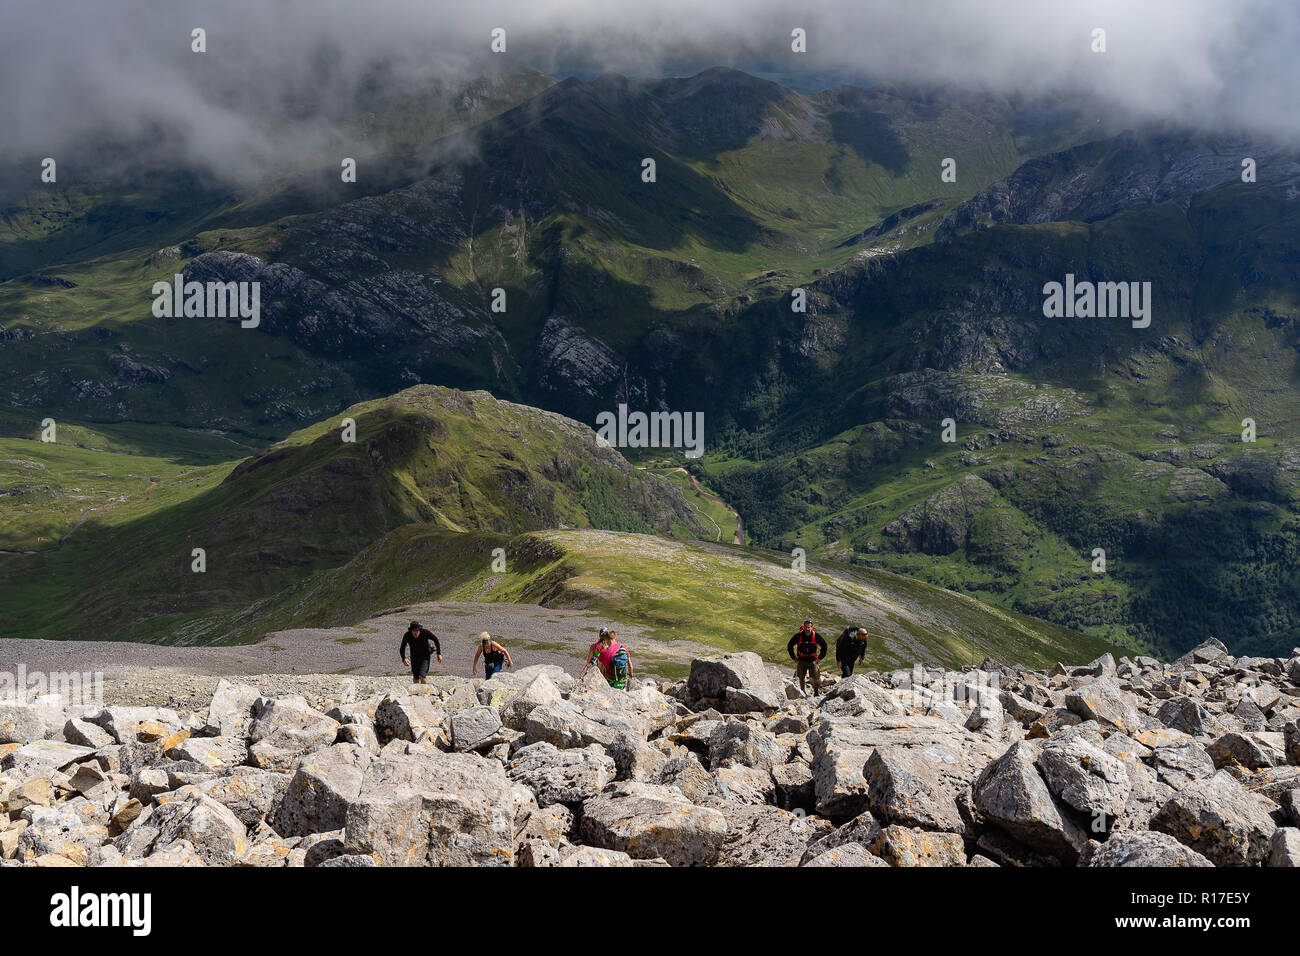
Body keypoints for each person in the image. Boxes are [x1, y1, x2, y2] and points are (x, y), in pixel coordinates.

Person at [787, 619, 826, 695]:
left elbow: (824, 646)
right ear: (804, 627)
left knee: (816, 678)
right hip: (801, 660)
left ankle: (816, 692)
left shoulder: (816, 636)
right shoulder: (798, 636)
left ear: (812, 627)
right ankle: (802, 692)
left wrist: (820, 658)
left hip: (813, 660)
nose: (808, 629)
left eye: (809, 627)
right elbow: (790, 645)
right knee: (801, 678)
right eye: (806, 627)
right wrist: (794, 657)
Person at [400, 620, 442, 684]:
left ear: (419, 630)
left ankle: (423, 692)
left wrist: (439, 653)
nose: (416, 633)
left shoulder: (425, 632)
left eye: (417, 631)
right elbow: (402, 648)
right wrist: (404, 658)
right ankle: (416, 691)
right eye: (414, 631)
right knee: (416, 677)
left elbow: (436, 640)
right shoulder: (407, 635)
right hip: (414, 656)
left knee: (422, 675)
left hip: (425, 656)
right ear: (411, 631)